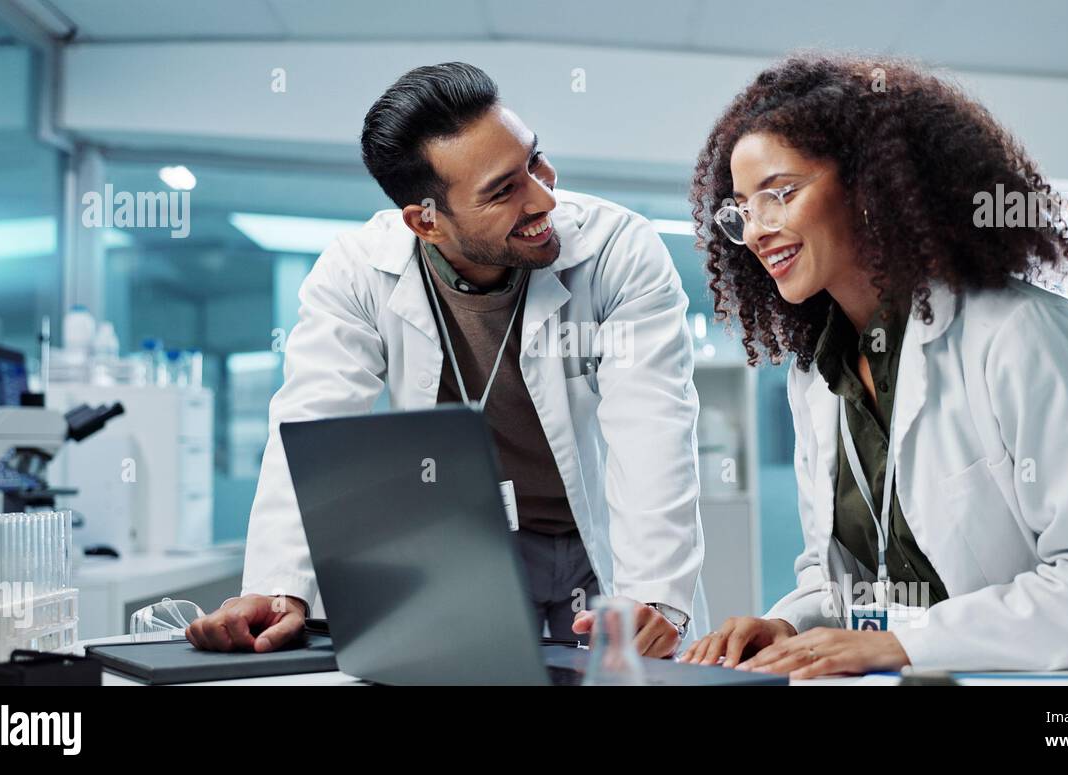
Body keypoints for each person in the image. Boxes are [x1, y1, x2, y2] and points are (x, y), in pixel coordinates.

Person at [681, 52, 1068, 677]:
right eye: (741, 210)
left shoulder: (1015, 335)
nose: (757, 229)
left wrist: (904, 642)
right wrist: (791, 624)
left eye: (779, 194)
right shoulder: (817, 378)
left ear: (870, 186)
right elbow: (851, 582)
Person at [187, 62, 706, 658]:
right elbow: (310, 427)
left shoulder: (617, 250)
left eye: (534, 160)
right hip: (474, 551)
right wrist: (279, 589)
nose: (544, 197)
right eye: (504, 189)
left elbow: (653, 428)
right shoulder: (357, 271)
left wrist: (654, 596)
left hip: (607, 543)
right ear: (425, 221)